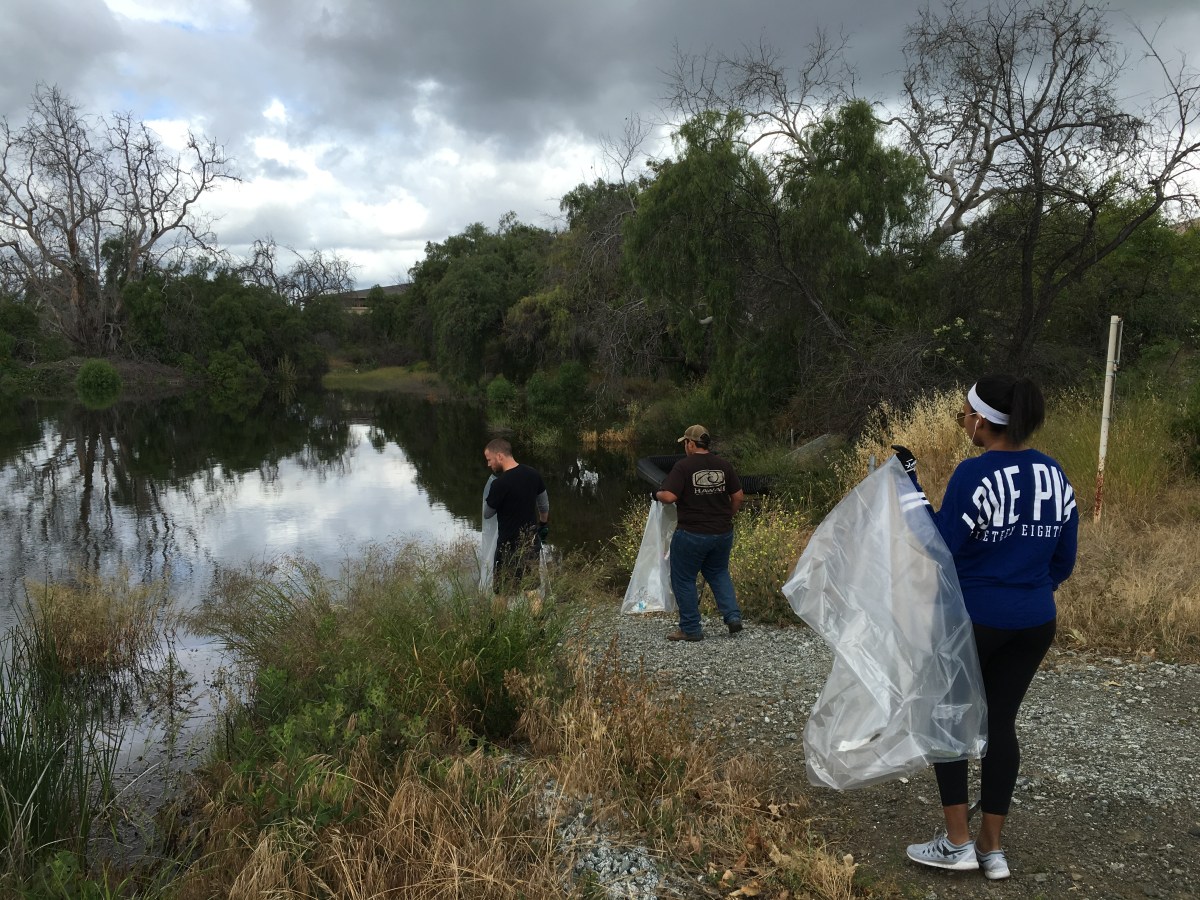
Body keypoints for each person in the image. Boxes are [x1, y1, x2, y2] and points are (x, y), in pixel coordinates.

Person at [893, 375, 1078, 881]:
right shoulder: (1054, 475)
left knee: (949, 720)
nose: (962, 422)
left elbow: (941, 544)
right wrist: (1027, 588)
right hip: (1034, 619)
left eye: (963, 414)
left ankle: (957, 844)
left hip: (973, 619)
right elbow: (1064, 558)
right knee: (1001, 725)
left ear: (982, 420)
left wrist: (909, 485)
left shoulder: (975, 475)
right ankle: (991, 849)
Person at [652, 424, 745, 641]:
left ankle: (691, 629)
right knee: (718, 573)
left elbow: (669, 497)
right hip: (722, 533)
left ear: (691, 444)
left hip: (692, 533)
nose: (685, 447)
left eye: (685, 443)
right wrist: (725, 517)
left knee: (683, 578)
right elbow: (738, 496)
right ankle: (733, 618)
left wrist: (656, 493)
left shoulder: (683, 467)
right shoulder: (724, 465)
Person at [483, 438, 549, 594]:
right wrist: (543, 526)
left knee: (502, 591)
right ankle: (538, 619)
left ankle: (497, 620)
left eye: (489, 459)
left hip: (507, 546)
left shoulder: (499, 484)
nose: (488, 464)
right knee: (531, 588)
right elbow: (544, 505)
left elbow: (487, 514)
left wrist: (490, 497)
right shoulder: (533, 474)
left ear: (499, 456)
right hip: (530, 542)